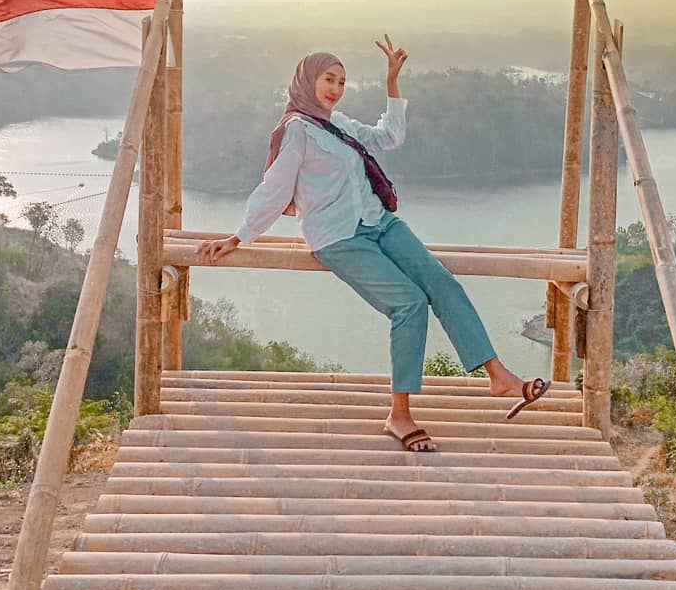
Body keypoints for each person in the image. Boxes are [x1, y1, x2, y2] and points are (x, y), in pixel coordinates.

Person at [197, 37, 550, 452]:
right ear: (307, 80)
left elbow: (389, 138)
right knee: (409, 304)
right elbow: (274, 190)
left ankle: (498, 375)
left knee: (442, 283)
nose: (335, 88)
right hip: (339, 236)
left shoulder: (339, 124)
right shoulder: (297, 132)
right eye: (328, 79)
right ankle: (399, 415)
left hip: (379, 222)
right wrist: (240, 236)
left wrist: (392, 84)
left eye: (341, 81)